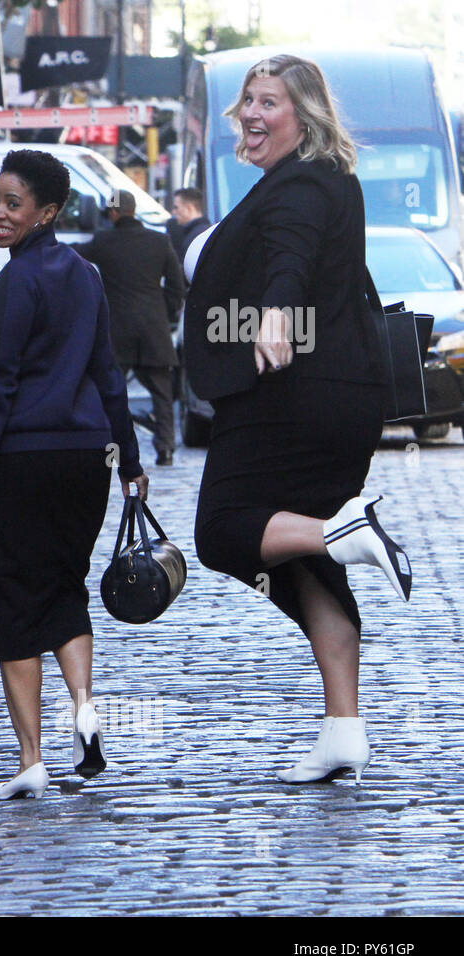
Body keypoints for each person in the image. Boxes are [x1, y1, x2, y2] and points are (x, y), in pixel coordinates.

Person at [184, 54, 411, 785]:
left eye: (269, 102)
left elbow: (292, 257)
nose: (251, 113)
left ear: (304, 115)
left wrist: (276, 314)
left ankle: (345, 528)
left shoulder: (303, 184)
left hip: (292, 393)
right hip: (335, 396)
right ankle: (344, 728)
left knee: (224, 530)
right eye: (247, 99)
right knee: (308, 563)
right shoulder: (322, 181)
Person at [0, 150, 147, 801]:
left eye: (13, 203)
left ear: (48, 211)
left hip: (21, 462)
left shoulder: (9, 289)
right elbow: (107, 372)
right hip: (86, 461)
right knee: (64, 586)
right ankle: (84, 709)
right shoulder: (86, 276)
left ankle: (31, 755)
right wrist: (131, 458)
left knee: (12, 599)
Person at [78, 188, 186, 466]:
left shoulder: (104, 241)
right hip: (154, 327)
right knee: (162, 393)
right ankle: (166, 449)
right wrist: (164, 310)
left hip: (118, 329)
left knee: (112, 392)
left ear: (114, 212)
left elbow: (75, 257)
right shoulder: (160, 242)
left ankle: (113, 451)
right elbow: (176, 285)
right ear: (133, 209)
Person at [169, 187, 211, 260]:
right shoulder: (206, 231)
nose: (174, 212)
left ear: (189, 208)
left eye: (176, 207)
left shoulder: (196, 238)